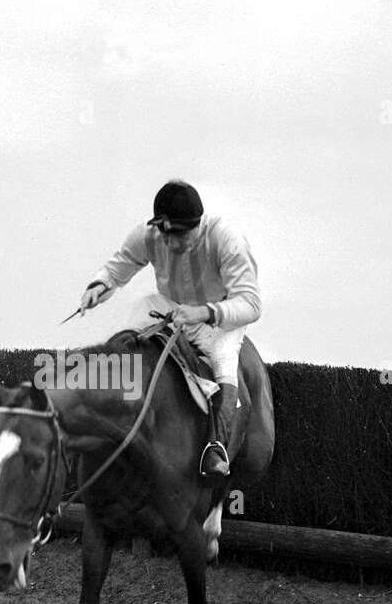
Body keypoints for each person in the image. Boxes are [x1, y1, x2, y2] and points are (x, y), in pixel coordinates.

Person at [78, 180, 262, 477]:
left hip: (219, 317)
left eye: (183, 234)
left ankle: (215, 449)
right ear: (159, 227)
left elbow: (251, 304)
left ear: (198, 225)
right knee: (132, 325)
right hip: (170, 305)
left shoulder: (227, 239)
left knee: (223, 361)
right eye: (168, 235)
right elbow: (121, 265)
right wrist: (100, 285)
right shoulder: (148, 235)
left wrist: (203, 312)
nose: (174, 243)